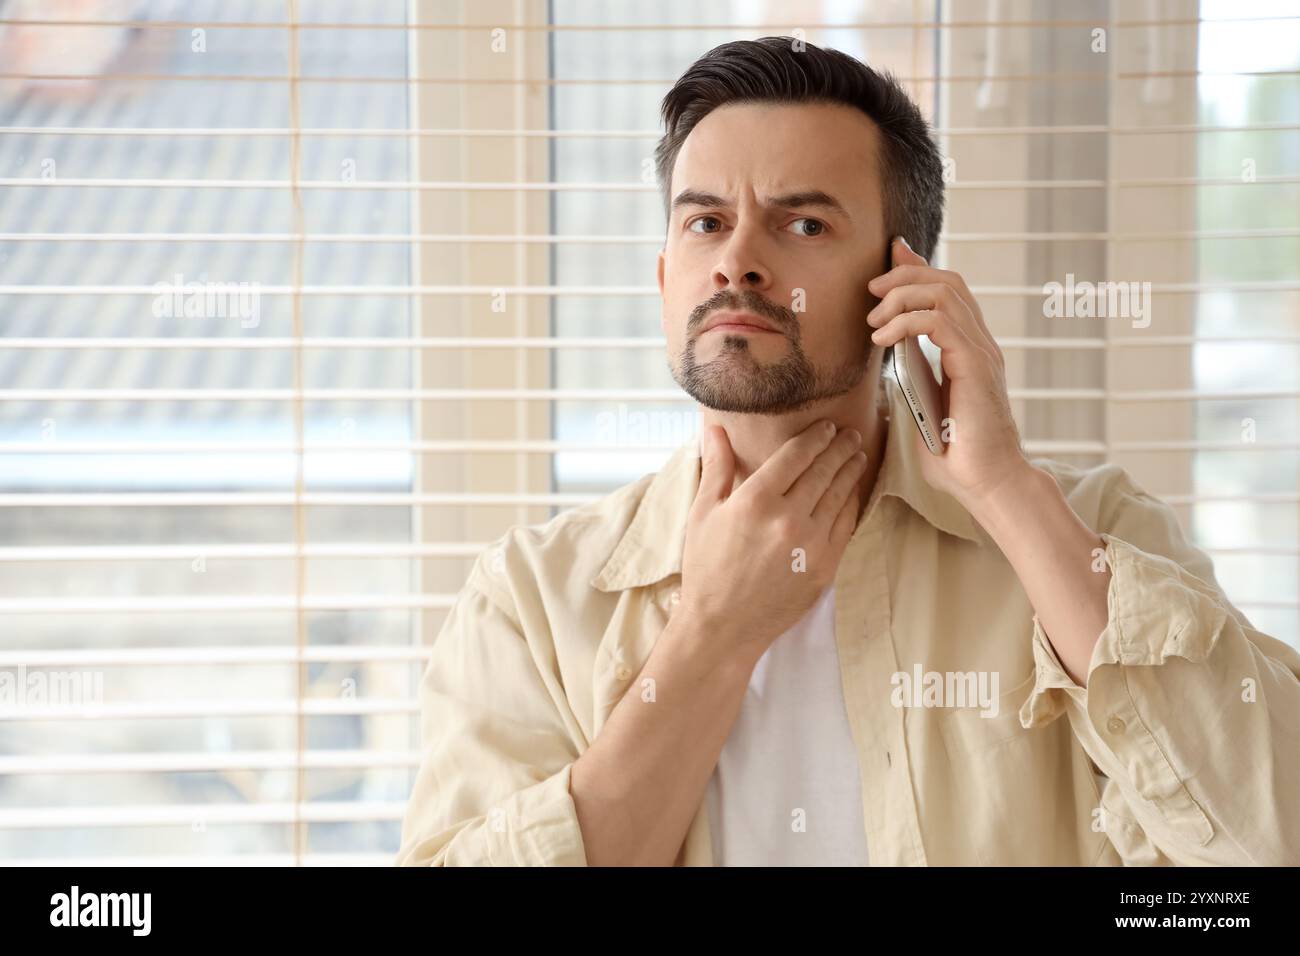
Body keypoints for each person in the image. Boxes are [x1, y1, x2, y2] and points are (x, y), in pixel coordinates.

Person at [397, 36, 1300, 866]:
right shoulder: (531, 601)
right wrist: (711, 637)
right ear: (666, 276)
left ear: (902, 285)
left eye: (804, 225)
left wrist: (1006, 488)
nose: (736, 262)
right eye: (705, 222)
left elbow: (1265, 839)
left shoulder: (1093, 536)